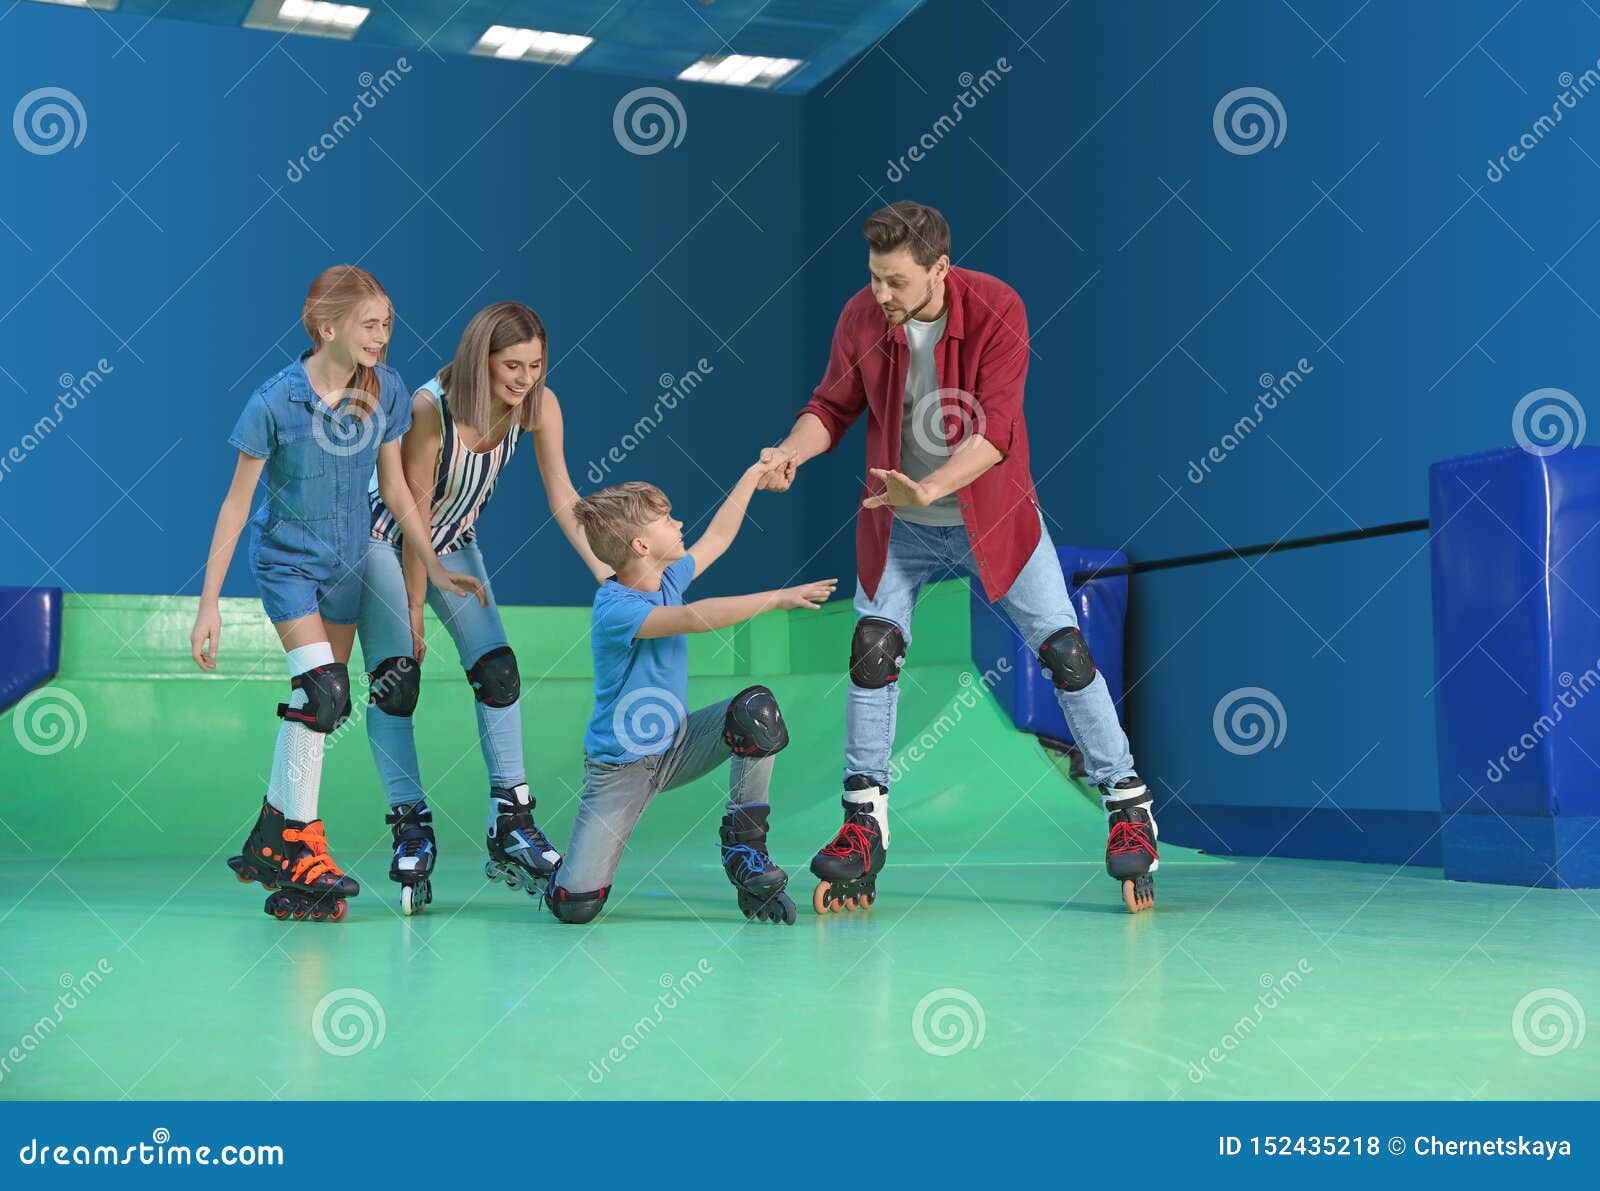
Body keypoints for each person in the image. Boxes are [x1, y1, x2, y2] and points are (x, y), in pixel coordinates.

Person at [762, 201, 1160, 914]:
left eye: (896, 282)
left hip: (993, 513)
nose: (881, 295)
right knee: (873, 649)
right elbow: (830, 406)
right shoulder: (862, 315)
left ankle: (1128, 802)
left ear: (940, 269)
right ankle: (863, 822)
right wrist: (793, 449)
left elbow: (998, 429)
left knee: (1066, 651)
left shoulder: (998, 306)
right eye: (875, 278)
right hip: (898, 523)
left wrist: (932, 484)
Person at [192, 265, 483, 922]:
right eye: (370, 325)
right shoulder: (272, 403)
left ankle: (276, 831)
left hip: (348, 561)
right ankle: (302, 843)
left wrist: (431, 566)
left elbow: (399, 489)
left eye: (388, 324)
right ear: (328, 328)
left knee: (320, 701)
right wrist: (208, 602)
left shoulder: (383, 393)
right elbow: (235, 508)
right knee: (324, 690)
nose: (384, 336)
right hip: (289, 563)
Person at [360, 302, 607, 915]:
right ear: (480, 360)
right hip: (386, 542)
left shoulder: (538, 407)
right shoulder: (428, 411)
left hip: (454, 540)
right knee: (398, 680)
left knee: (498, 670)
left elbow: (564, 495)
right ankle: (410, 825)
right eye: (512, 366)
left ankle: (510, 819)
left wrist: (603, 567)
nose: (525, 378)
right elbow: (412, 510)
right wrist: (415, 610)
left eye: (536, 364)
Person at [544, 473, 836, 926]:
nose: (680, 524)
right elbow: (694, 619)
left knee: (754, 713)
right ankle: (546, 867)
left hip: (678, 746)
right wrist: (776, 598)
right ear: (641, 545)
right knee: (575, 905)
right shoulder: (615, 608)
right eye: (667, 519)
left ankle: (746, 851)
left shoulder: (667, 577)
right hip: (621, 769)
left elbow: (718, 536)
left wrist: (751, 477)